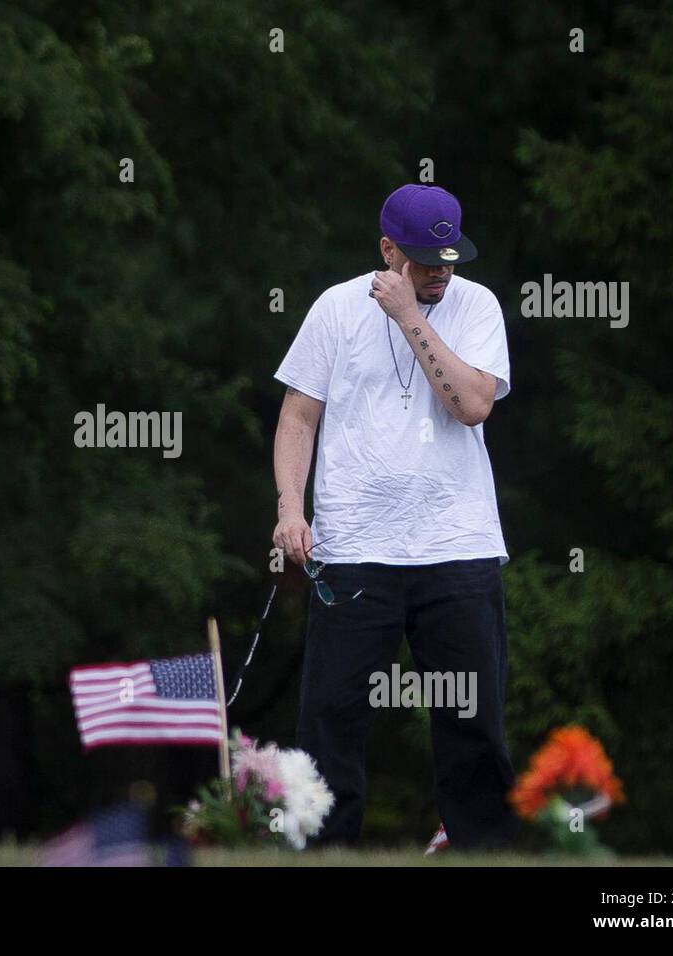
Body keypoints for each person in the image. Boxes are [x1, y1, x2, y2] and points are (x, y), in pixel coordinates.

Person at [271, 184, 517, 848]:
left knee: (472, 722)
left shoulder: (478, 306)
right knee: (331, 718)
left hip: (458, 549)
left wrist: (411, 315)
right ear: (387, 249)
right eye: (423, 258)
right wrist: (291, 509)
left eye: (449, 256)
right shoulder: (334, 309)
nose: (440, 269)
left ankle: (483, 854)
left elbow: (472, 405)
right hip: (354, 550)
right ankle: (324, 856)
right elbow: (298, 417)